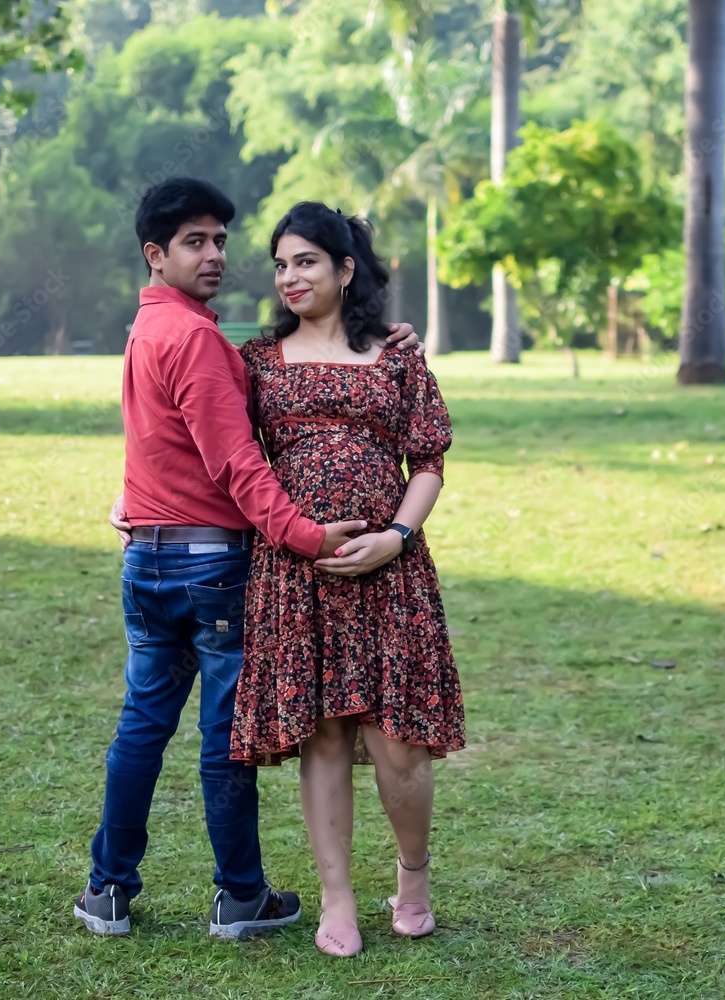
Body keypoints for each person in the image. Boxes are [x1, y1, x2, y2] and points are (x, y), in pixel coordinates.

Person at [74, 178, 422, 939]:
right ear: (155, 254)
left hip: (150, 560)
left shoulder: (150, 328)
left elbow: (159, 440)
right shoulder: (198, 339)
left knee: (141, 726)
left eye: (221, 241)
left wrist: (133, 500)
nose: (215, 256)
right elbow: (236, 465)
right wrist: (305, 536)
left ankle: (108, 890)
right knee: (223, 738)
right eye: (195, 242)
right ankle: (239, 896)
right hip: (209, 567)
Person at [229, 201, 465, 958]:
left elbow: (427, 462)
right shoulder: (259, 361)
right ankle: (337, 899)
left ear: (345, 268)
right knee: (323, 735)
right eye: (280, 264)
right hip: (294, 570)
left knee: (399, 740)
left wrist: (395, 536)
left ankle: (414, 877)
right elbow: (210, 440)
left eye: (305, 261)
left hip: (388, 570)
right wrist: (135, 495)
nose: (288, 276)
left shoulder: (398, 355)